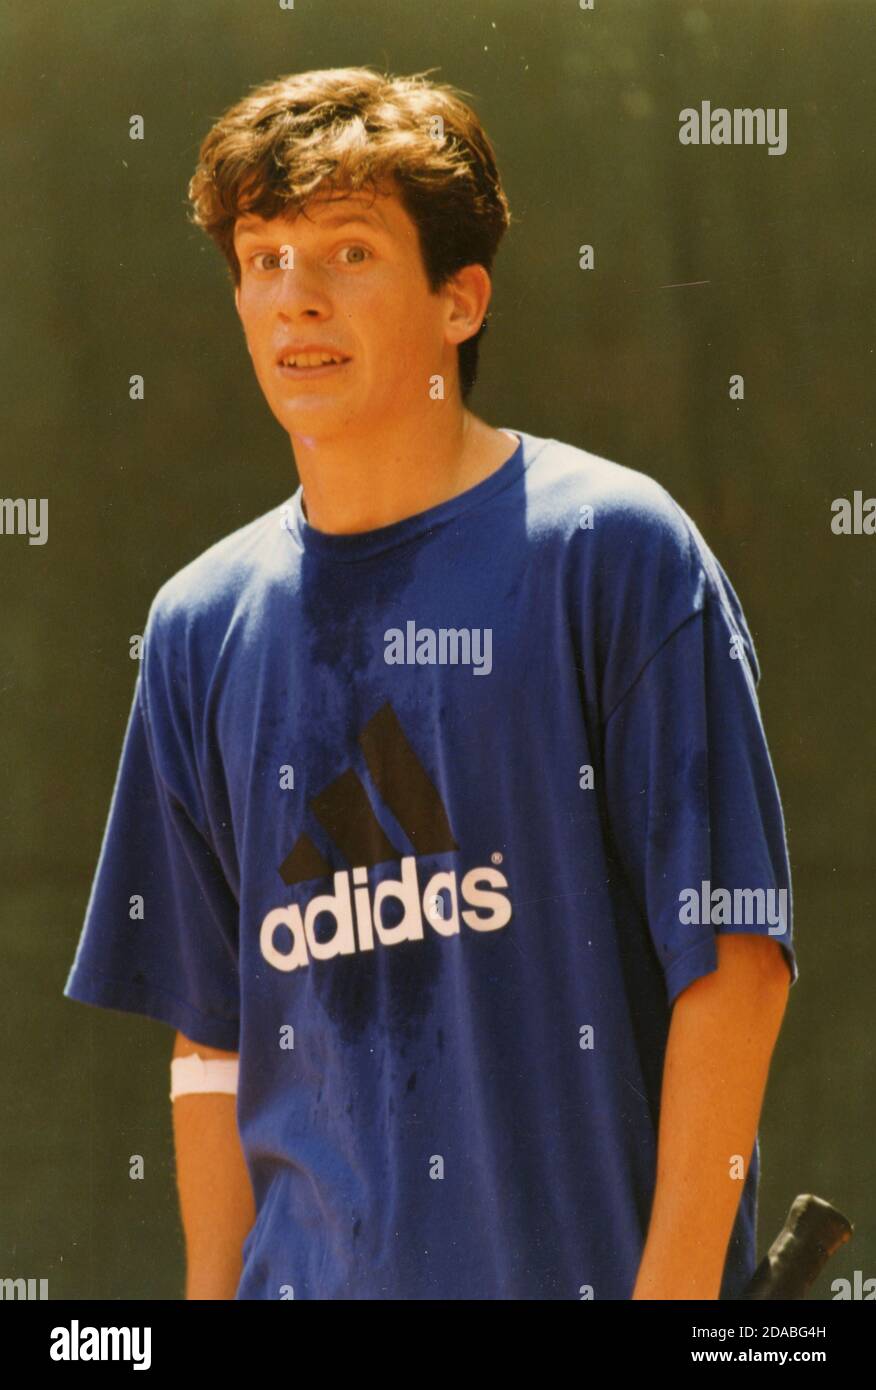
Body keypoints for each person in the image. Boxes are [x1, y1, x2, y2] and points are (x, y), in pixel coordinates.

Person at [64, 66, 797, 1301]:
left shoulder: (616, 550)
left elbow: (735, 964)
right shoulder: (196, 625)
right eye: (263, 257)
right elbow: (210, 1043)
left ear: (461, 300)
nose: (294, 298)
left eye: (348, 252)